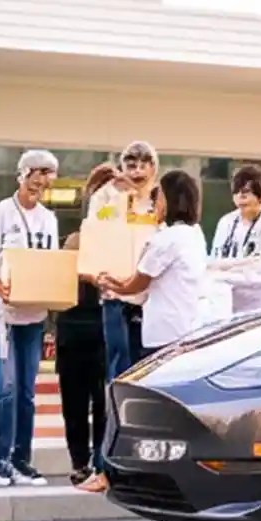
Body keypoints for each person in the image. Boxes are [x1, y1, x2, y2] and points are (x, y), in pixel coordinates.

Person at [80, 169, 206, 493]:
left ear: (171, 199)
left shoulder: (166, 239)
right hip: (185, 331)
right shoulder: (194, 236)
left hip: (160, 338)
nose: (155, 203)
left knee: (130, 404)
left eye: (159, 196)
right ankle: (160, 475)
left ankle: (113, 473)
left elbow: (137, 284)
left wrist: (108, 283)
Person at [0, 149, 61, 487]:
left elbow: (50, 266)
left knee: (27, 392)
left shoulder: (49, 218)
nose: (40, 182)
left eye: (47, 175)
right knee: (5, 388)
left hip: (32, 316)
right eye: (36, 174)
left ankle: (21, 459)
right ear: (22, 174)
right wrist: (0, 287)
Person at [56, 163, 116, 486]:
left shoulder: (126, 238)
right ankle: (80, 461)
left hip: (105, 324)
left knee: (103, 400)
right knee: (73, 403)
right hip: (72, 324)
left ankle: (99, 462)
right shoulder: (76, 236)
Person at [85, 141, 159, 384]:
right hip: (114, 293)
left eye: (143, 165)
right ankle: (115, 418)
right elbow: (97, 227)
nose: (137, 172)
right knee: (119, 360)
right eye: (131, 165)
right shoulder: (108, 198)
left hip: (148, 295)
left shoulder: (158, 201)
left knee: (144, 362)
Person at [207, 164, 261, 313]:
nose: (240, 198)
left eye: (246, 192)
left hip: (258, 309)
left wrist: (224, 267)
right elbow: (214, 260)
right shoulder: (226, 222)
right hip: (226, 308)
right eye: (236, 192)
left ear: (260, 194)